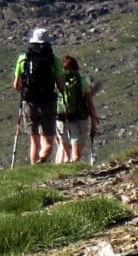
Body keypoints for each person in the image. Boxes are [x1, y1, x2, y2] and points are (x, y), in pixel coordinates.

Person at [11, 28, 60, 166]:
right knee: (48, 140)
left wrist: (26, 89)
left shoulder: (23, 58)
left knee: (34, 140)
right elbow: (61, 84)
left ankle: (34, 167)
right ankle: (42, 161)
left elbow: (16, 85)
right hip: (48, 101)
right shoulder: (53, 59)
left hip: (29, 101)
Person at [56, 55, 99, 163]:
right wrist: (94, 124)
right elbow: (90, 103)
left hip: (62, 117)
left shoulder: (58, 82)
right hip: (79, 118)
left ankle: (64, 169)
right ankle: (71, 169)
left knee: (65, 151)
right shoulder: (82, 82)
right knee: (76, 154)